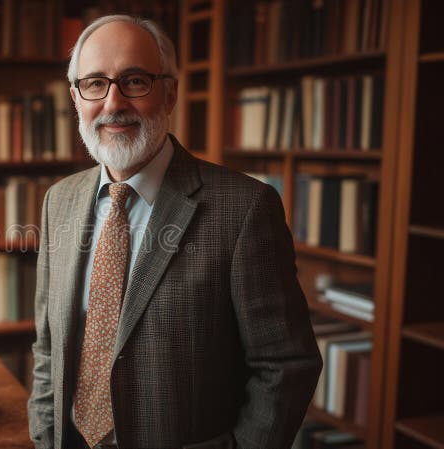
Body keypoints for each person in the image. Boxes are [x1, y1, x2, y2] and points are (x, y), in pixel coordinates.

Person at [27, 15, 322, 449]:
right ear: (76, 98)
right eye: (94, 83)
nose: (112, 103)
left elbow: (285, 365)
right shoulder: (60, 201)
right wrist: (44, 434)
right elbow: (48, 347)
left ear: (170, 93)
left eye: (134, 81)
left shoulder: (244, 208)